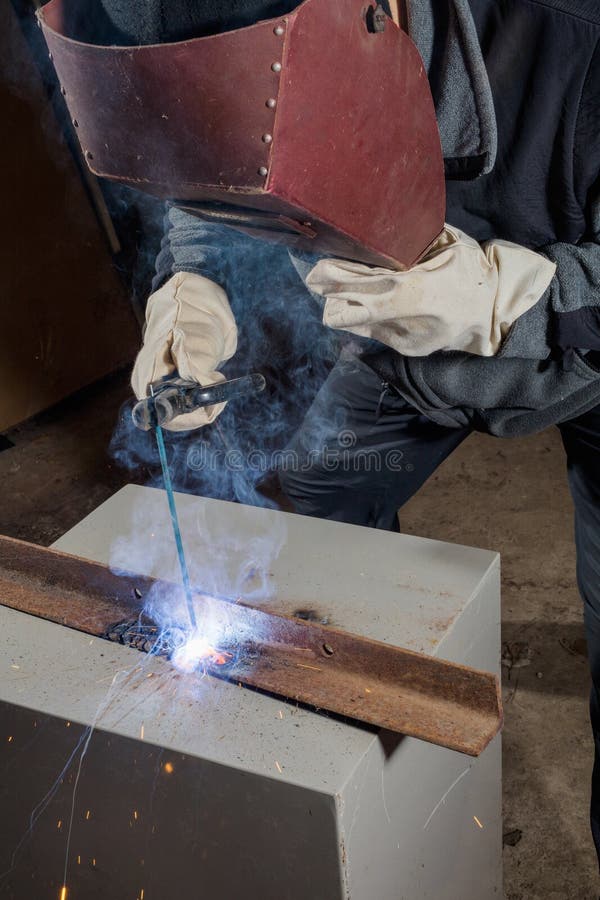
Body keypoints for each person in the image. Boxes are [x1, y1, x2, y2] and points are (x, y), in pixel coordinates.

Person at [94, 0, 600, 862]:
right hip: (399, 346)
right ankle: (372, 813)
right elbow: (209, 182)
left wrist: (513, 304)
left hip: (579, 342)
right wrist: (195, 287)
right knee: (306, 527)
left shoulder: (574, 36)